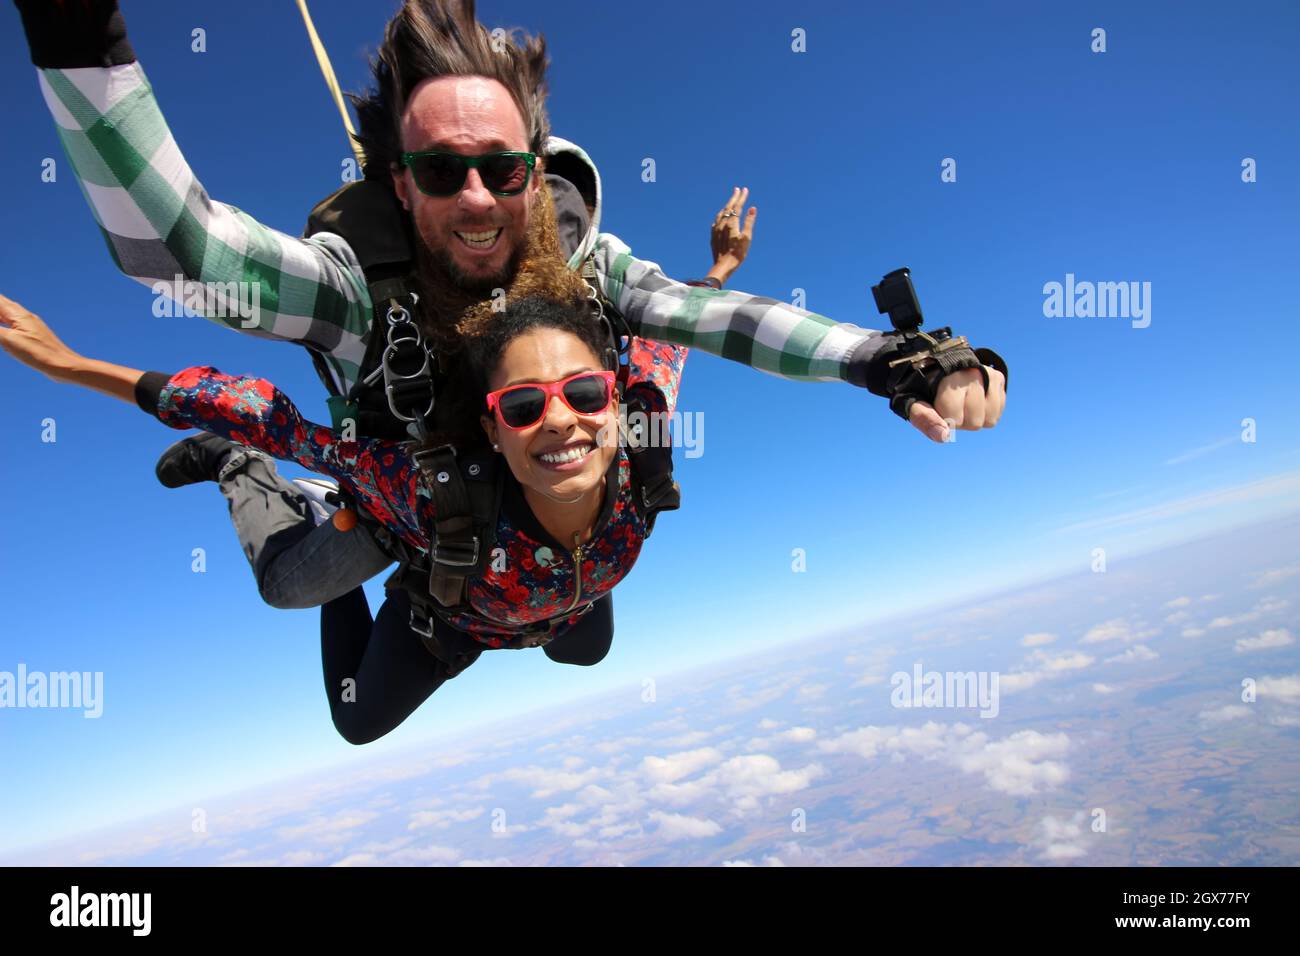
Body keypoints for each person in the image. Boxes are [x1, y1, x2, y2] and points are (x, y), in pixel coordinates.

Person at [11, 0, 1008, 620]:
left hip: (533, 538)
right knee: (293, 583)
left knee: (584, 627)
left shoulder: (582, 268)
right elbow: (189, 256)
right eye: (443, 171)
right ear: (400, 187)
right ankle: (244, 487)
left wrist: (886, 357)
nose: (479, 199)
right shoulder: (362, 290)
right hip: (403, 503)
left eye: (502, 168)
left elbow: (700, 325)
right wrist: (73, 31)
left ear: (536, 173)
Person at [0, 281, 683, 744]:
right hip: (446, 607)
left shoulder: (643, 452)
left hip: (559, 604)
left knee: (587, 650)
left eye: (585, 392)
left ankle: (388, 536)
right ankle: (246, 476)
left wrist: (717, 268)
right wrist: (72, 366)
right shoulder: (433, 491)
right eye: (525, 407)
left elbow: (676, 338)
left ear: (617, 403)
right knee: (337, 682)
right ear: (493, 428)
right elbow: (278, 425)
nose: (562, 422)